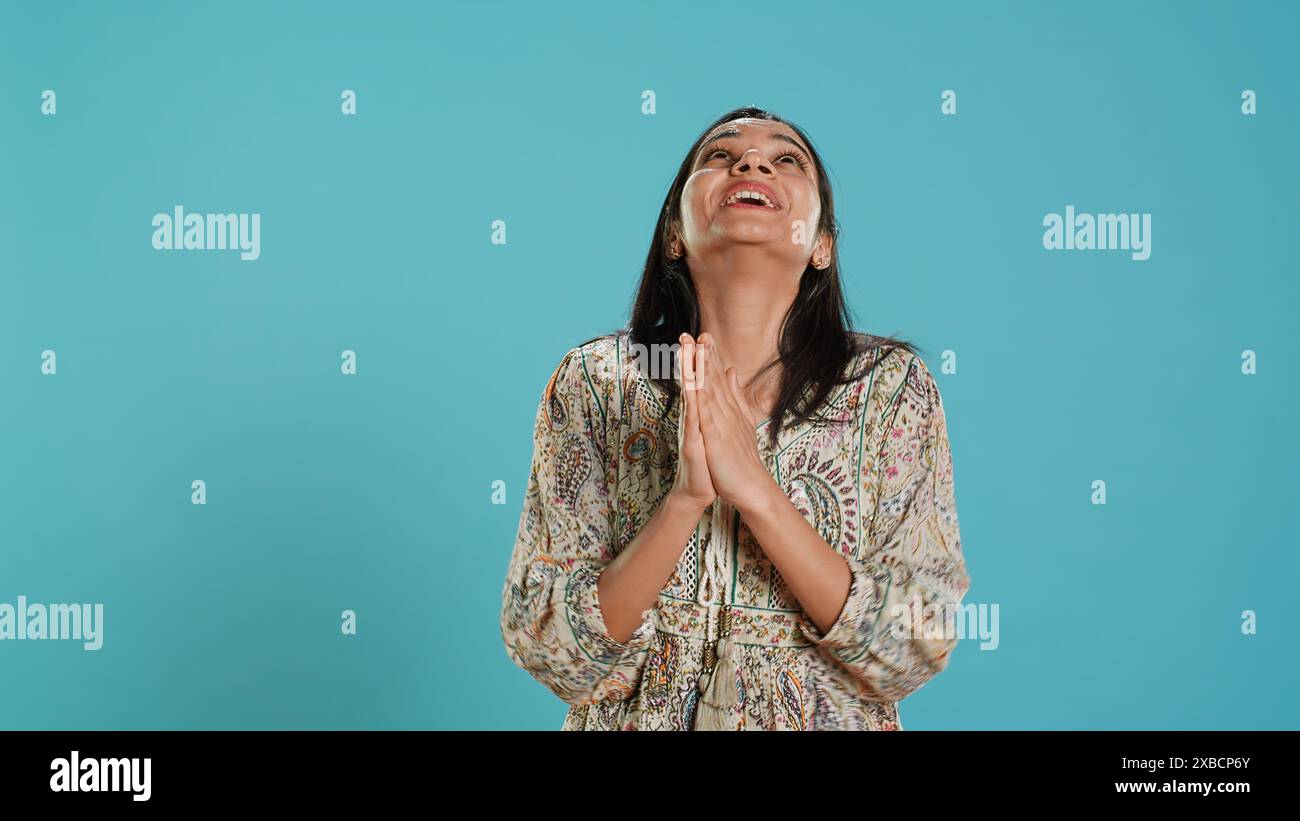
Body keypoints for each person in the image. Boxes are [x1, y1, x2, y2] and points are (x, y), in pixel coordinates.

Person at [499, 106, 971, 730]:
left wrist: (757, 492)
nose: (752, 163)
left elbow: (916, 642)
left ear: (822, 243)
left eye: (787, 160)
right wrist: (685, 498)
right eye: (721, 156)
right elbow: (550, 648)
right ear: (674, 232)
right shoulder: (596, 382)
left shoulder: (889, 389)